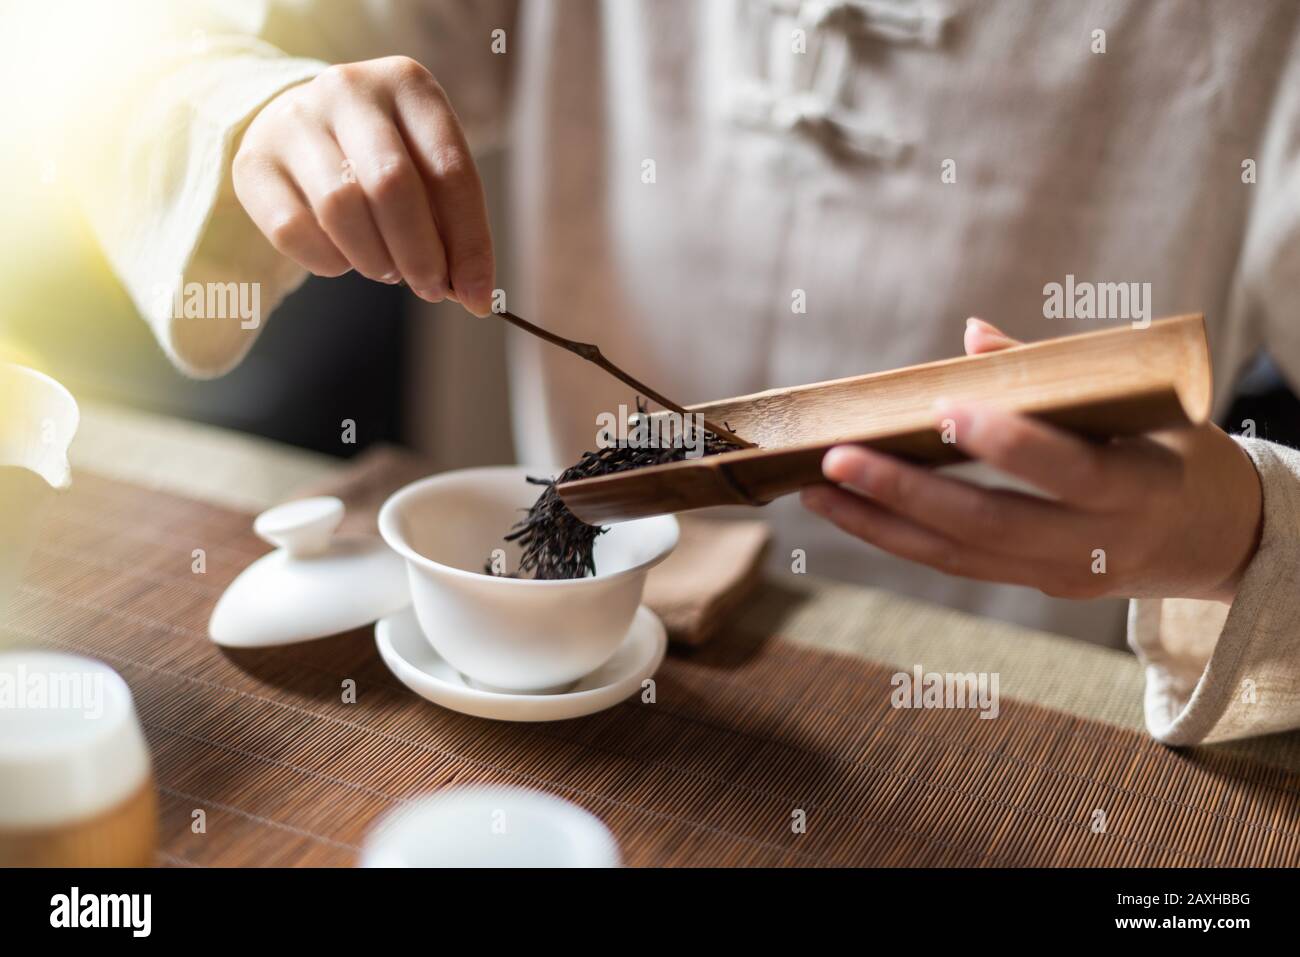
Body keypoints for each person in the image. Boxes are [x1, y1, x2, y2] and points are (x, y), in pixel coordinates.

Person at [52, 1, 1300, 744]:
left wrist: (1232, 534)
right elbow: (140, 51)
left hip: (1027, 700)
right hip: (603, 645)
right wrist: (253, 109)